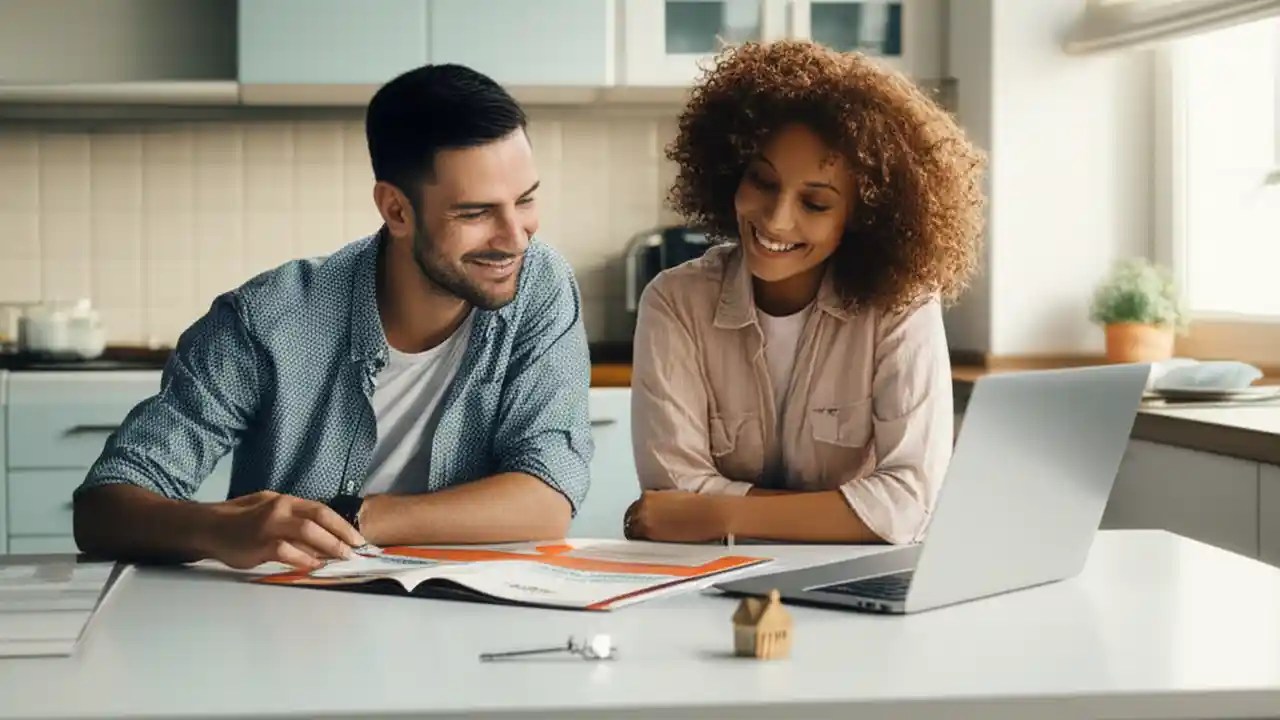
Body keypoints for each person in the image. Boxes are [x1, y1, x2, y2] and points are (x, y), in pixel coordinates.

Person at [73, 64, 593, 570]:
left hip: (472, 619)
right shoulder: (268, 319)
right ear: (396, 210)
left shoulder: (539, 283)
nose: (515, 237)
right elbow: (103, 508)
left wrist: (353, 518)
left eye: (525, 200)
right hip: (292, 621)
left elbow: (546, 500)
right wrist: (217, 529)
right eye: (476, 213)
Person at [626, 41, 985, 545]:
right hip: (706, 584)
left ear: (862, 217)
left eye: (815, 203)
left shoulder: (901, 306)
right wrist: (848, 514)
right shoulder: (674, 302)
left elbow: (907, 504)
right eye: (761, 181)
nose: (776, 219)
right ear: (732, 173)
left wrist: (714, 514)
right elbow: (674, 488)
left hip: (856, 586)